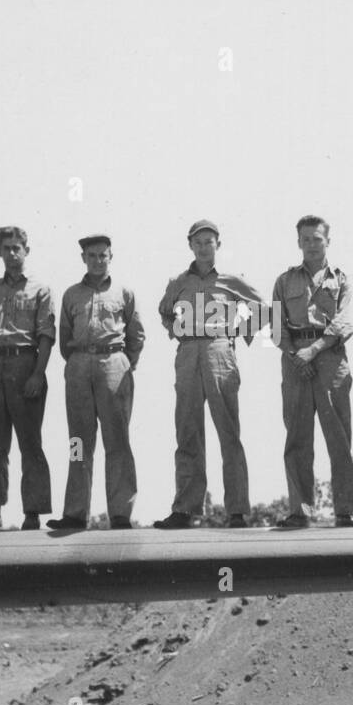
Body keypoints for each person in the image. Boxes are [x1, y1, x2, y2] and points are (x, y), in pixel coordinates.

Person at [153, 219, 266, 529]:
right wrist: (177, 330)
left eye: (209, 241)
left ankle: (237, 511)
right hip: (188, 353)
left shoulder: (232, 282)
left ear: (219, 245)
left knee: (229, 433)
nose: (204, 247)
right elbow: (164, 311)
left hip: (220, 353)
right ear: (190, 246)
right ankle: (185, 509)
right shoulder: (178, 283)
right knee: (187, 432)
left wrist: (238, 331)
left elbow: (264, 310)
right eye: (198, 242)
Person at [48, 234, 145, 530]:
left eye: (103, 255)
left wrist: (124, 362)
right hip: (79, 366)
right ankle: (75, 513)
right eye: (92, 255)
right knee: (79, 441)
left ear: (111, 257)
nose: (98, 260)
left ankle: (120, 513)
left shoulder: (124, 292)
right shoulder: (71, 294)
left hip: (113, 364)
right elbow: (64, 338)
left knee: (117, 440)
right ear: (83, 258)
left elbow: (137, 335)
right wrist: (79, 361)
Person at [271, 216, 353, 528]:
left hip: (330, 358)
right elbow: (277, 327)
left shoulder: (341, 280)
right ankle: (300, 511)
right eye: (305, 239)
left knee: (339, 438)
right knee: (297, 437)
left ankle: (344, 511)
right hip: (295, 361)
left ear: (328, 241)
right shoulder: (284, 281)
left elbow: (345, 321)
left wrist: (314, 350)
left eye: (317, 238)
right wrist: (296, 355)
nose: (311, 244)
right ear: (298, 243)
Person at [0, 226, 55, 531]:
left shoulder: (40, 290)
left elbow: (46, 336)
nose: (12, 253)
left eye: (17, 247)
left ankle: (32, 510)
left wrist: (38, 373)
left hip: (25, 364)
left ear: (26, 251)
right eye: (6, 248)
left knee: (30, 442)